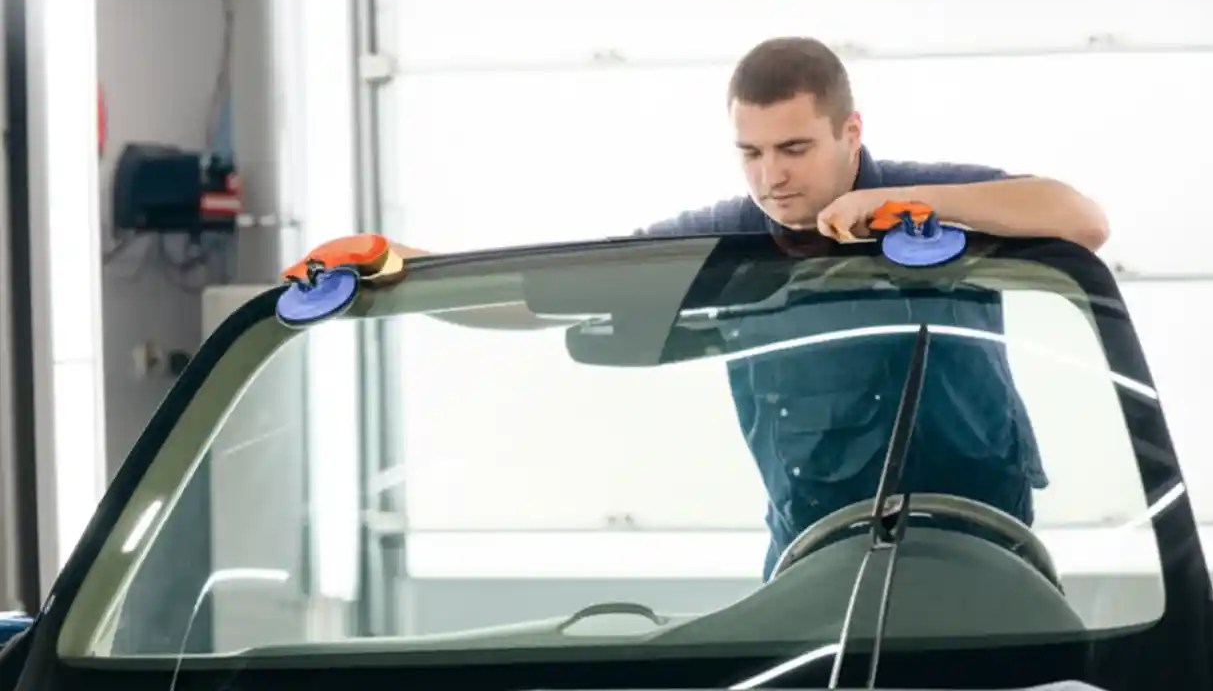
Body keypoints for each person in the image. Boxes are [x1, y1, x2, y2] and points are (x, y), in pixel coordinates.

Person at [381, 36, 1110, 579]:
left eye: (794, 148)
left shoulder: (929, 204)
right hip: (811, 562)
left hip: (986, 559)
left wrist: (900, 206)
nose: (772, 177)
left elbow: (1080, 219)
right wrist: (410, 274)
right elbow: (547, 296)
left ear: (850, 132)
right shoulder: (718, 240)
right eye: (751, 153)